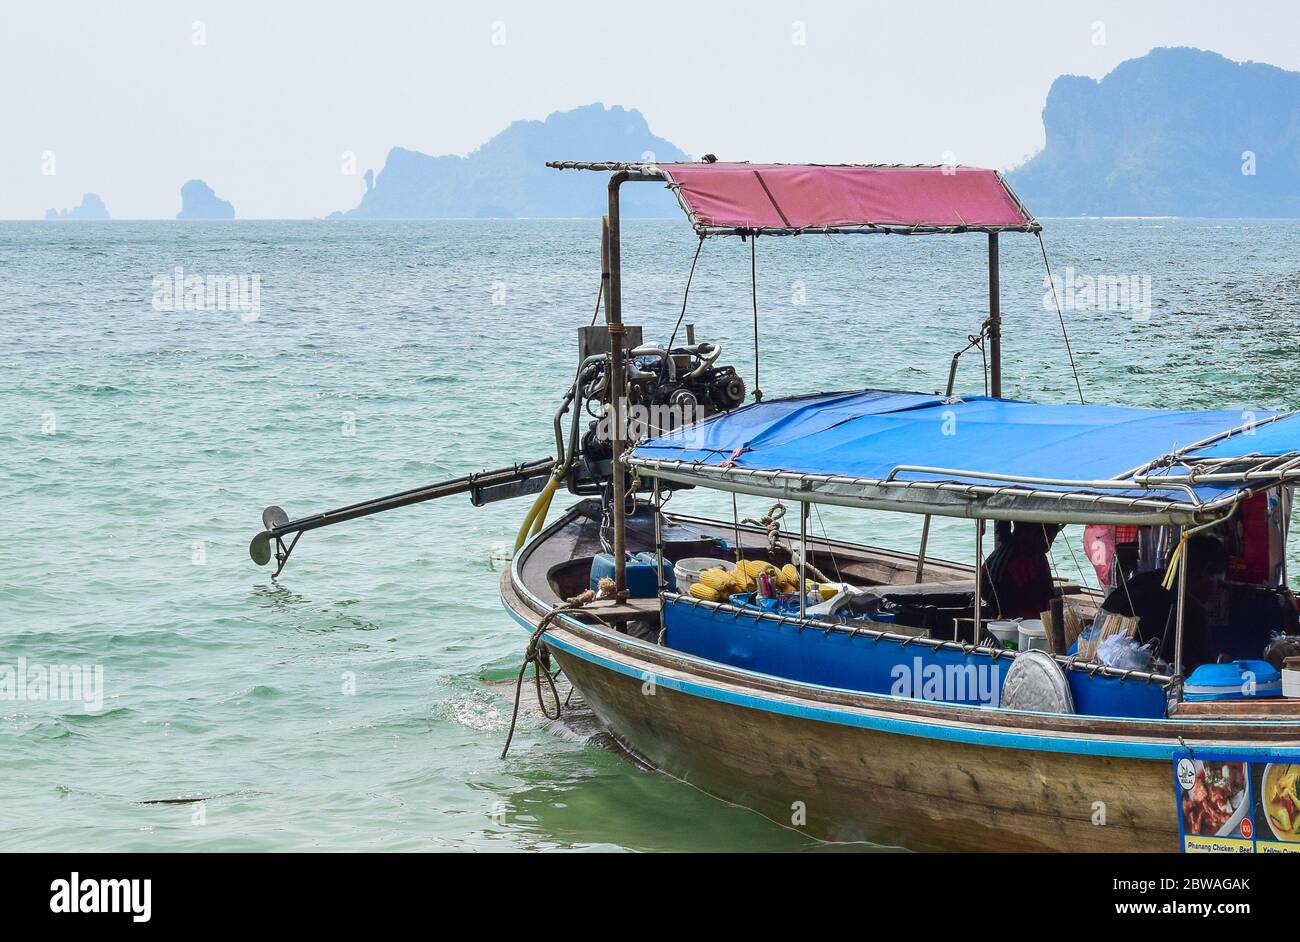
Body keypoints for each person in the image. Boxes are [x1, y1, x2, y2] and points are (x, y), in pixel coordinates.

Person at [1098, 532, 1229, 669]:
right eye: (1218, 583)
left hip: (1102, 668)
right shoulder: (1191, 609)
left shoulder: (1138, 583)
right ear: (1204, 573)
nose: (1216, 592)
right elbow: (1201, 672)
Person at [981, 521, 1062, 620]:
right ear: (1035, 533)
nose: (1049, 546)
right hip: (1017, 624)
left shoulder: (1001, 553)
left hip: (1003, 618)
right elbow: (1040, 606)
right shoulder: (1025, 562)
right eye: (1049, 538)